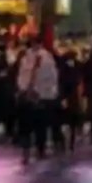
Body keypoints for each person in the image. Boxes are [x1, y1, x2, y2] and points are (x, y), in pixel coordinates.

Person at [16, 35, 59, 165]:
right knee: (35, 125)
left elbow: (51, 77)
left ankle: (33, 150)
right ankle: (33, 150)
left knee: (33, 125)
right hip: (35, 96)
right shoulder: (30, 58)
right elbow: (52, 77)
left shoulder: (39, 58)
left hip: (36, 96)